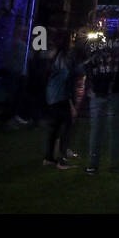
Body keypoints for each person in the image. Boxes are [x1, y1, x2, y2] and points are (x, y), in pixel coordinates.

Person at [83, 28, 119, 174]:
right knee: (115, 131)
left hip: (97, 91)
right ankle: (114, 164)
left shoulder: (94, 48)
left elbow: (87, 66)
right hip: (115, 93)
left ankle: (93, 165)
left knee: (96, 130)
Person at [43, 33, 82, 169]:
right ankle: (62, 159)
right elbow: (66, 76)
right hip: (61, 97)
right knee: (67, 127)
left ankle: (49, 158)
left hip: (52, 96)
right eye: (71, 39)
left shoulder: (54, 55)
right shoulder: (62, 58)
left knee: (55, 128)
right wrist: (71, 102)